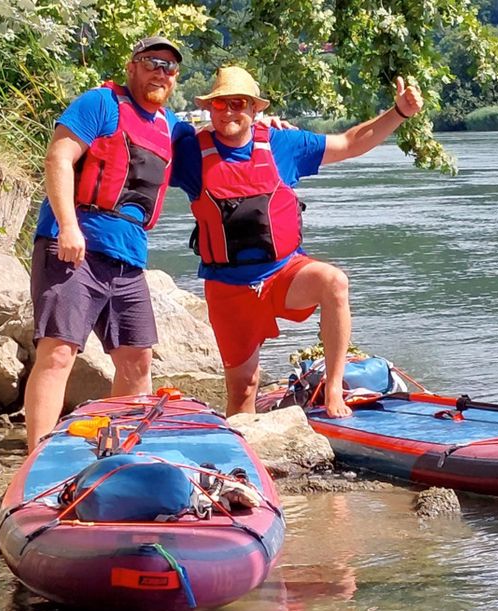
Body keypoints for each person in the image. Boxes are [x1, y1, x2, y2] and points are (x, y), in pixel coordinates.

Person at [171, 66, 424, 418]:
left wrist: (399, 113)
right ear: (209, 109)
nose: (228, 111)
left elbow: (350, 143)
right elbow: (148, 137)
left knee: (333, 281)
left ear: (254, 109)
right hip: (228, 287)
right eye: (219, 105)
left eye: (238, 103)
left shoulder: (282, 144)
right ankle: (244, 458)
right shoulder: (189, 154)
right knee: (243, 388)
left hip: (283, 273)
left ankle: (334, 389)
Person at [23, 36, 186, 452]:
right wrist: (68, 227)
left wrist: (268, 124)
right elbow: (58, 158)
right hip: (75, 247)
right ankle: (37, 455)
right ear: (132, 66)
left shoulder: (170, 127)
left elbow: (227, 136)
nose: (160, 73)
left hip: (128, 258)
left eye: (168, 68)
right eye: (152, 62)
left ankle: (121, 454)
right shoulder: (100, 104)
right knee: (58, 352)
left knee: (137, 361)